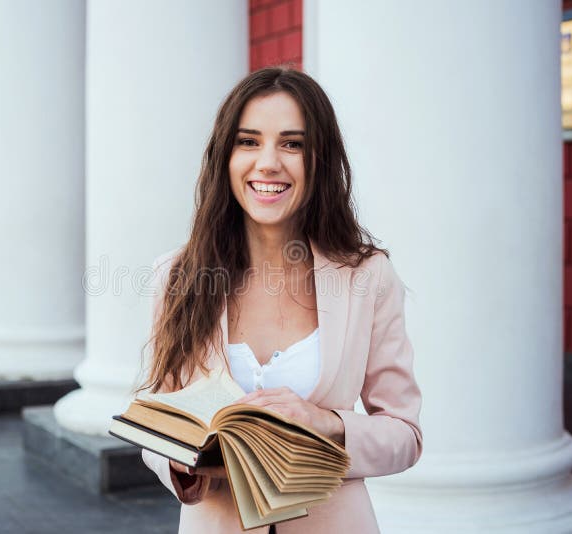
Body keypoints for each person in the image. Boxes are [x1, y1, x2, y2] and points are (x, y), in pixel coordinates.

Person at [140, 66, 422, 534]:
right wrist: (182, 461)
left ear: (321, 159)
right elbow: (153, 418)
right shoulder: (177, 276)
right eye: (248, 141)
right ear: (225, 157)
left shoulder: (367, 276)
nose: (268, 162)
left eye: (292, 144)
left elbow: (405, 435)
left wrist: (327, 423)